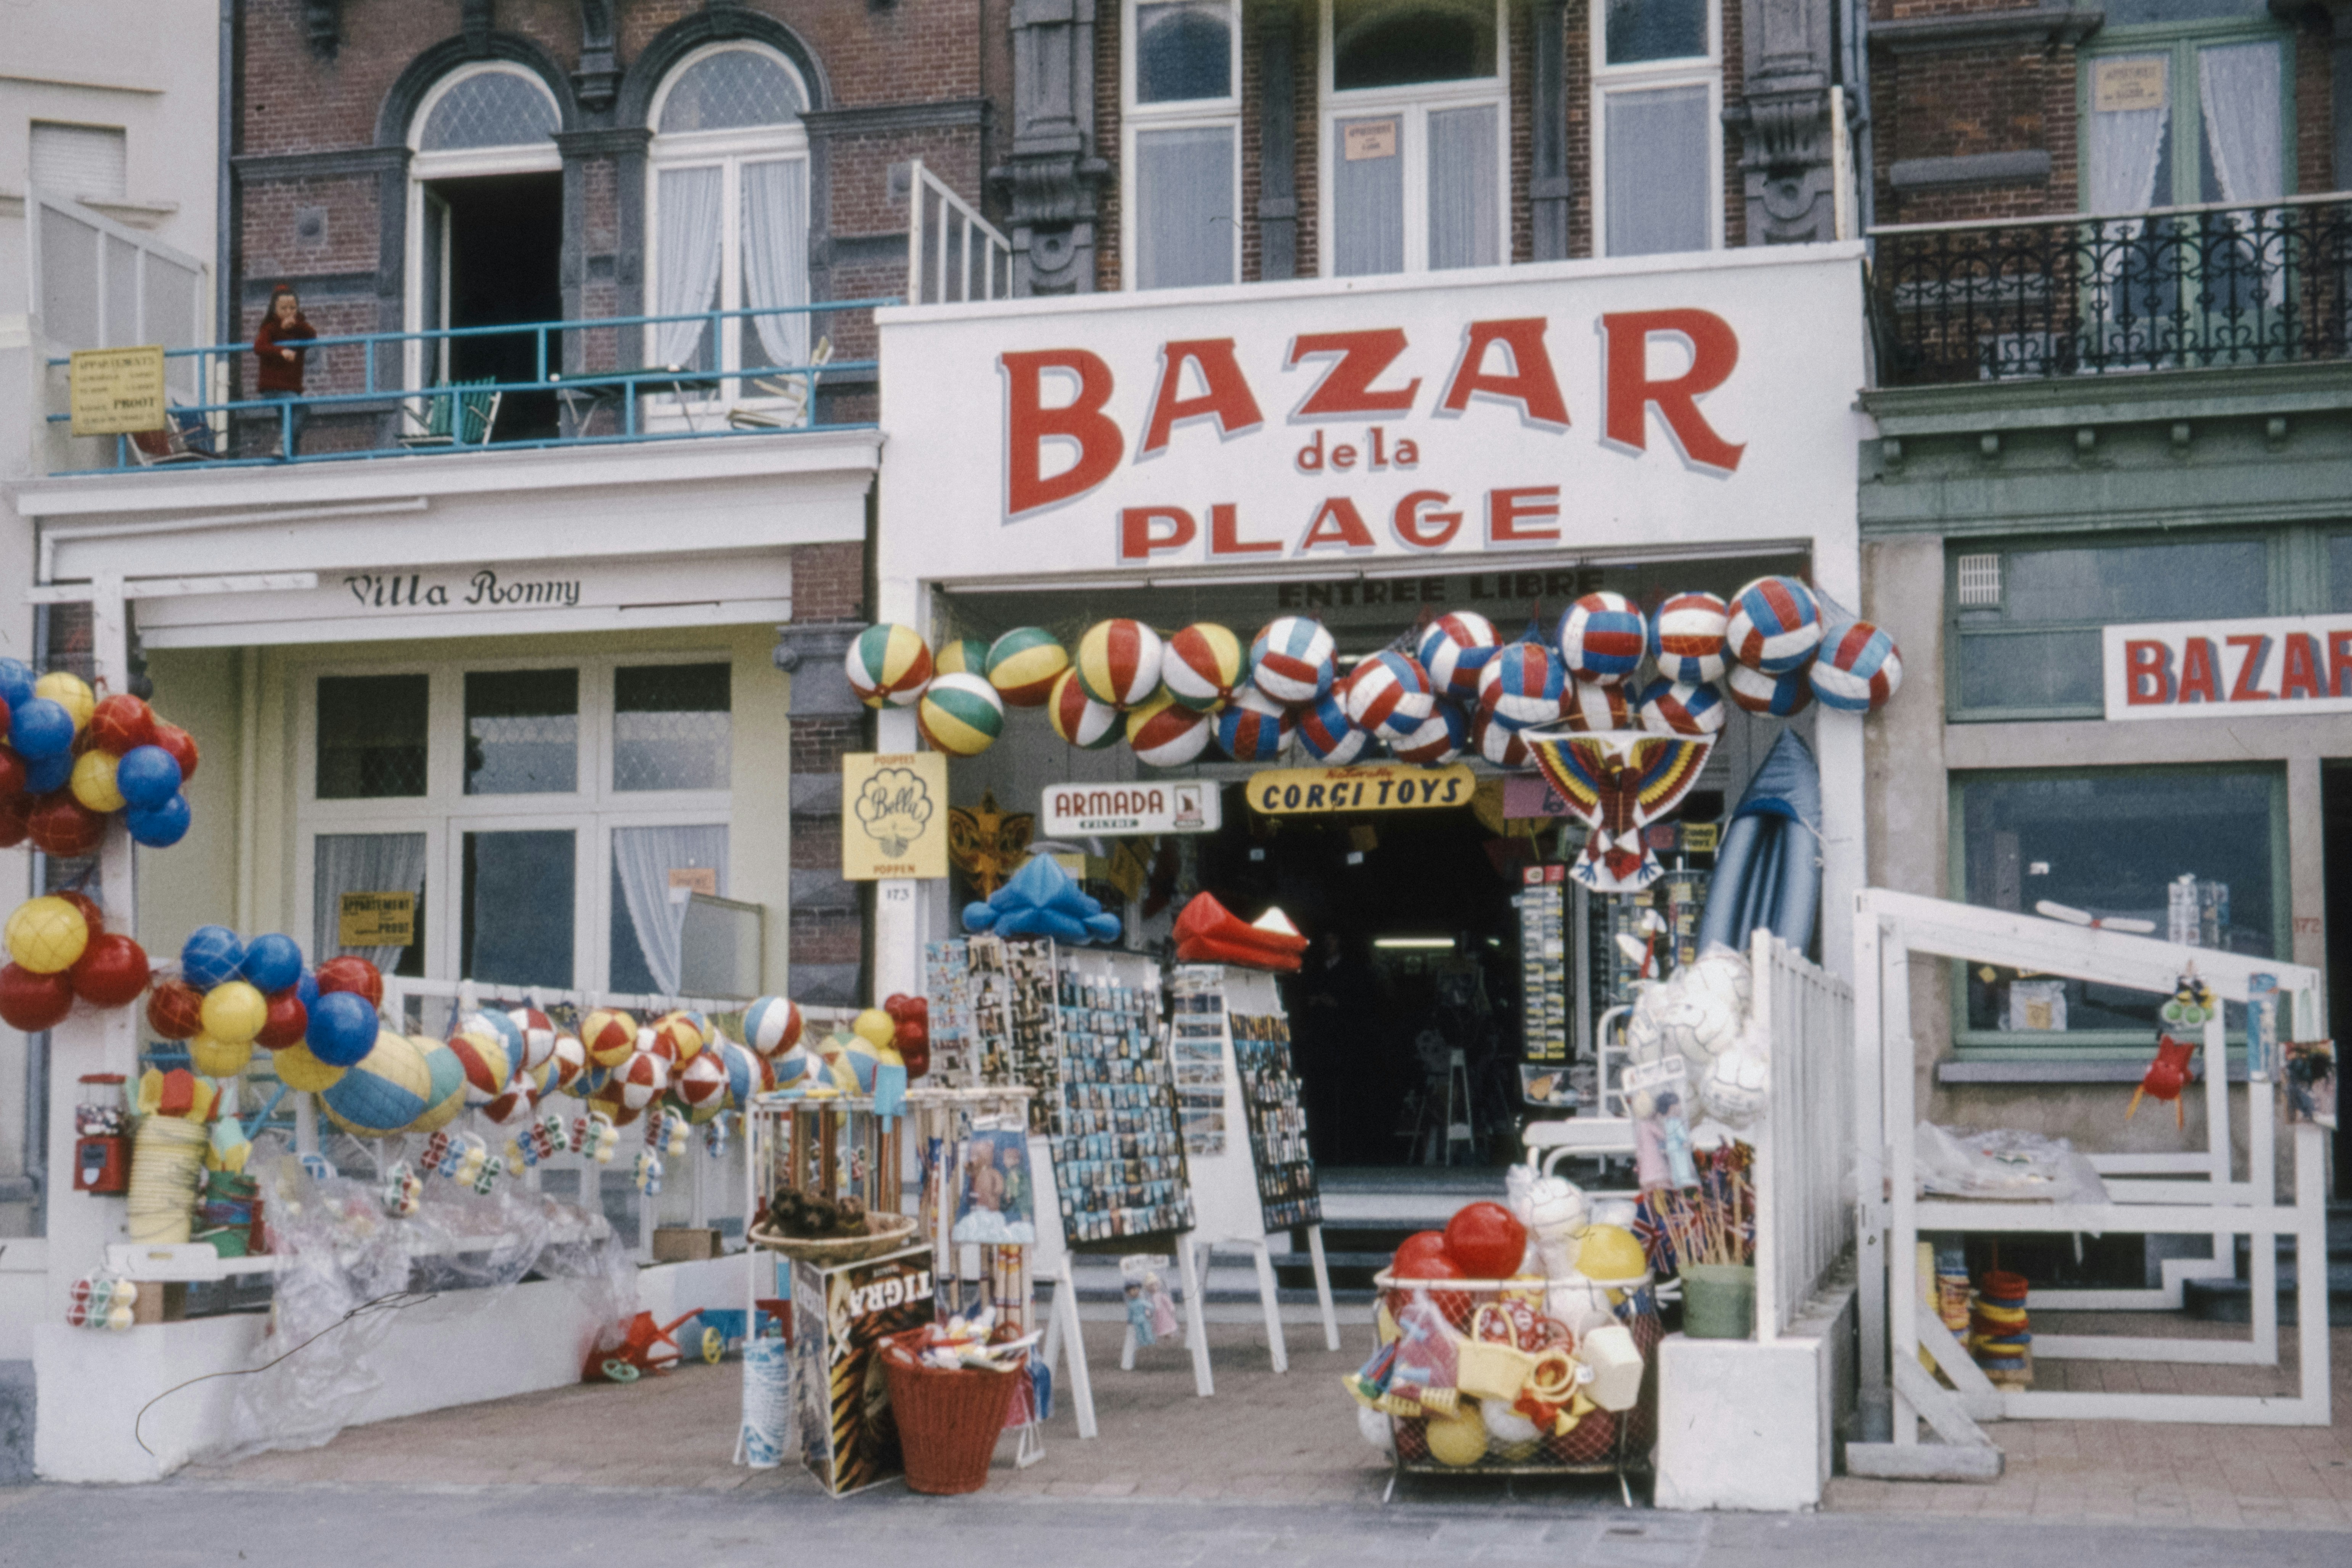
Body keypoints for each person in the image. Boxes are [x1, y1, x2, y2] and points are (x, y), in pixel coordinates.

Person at [252, 284, 316, 458]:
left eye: (293, 308)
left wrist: (296, 326)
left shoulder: (299, 326)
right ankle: (283, 445)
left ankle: (290, 455)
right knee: (302, 409)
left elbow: (312, 335)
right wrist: (281, 351)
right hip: (274, 385)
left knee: (290, 419)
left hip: (291, 386)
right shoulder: (270, 327)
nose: (289, 312)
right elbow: (259, 347)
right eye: (284, 308)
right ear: (275, 309)